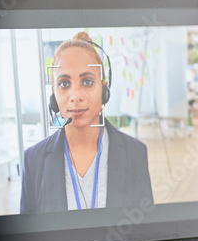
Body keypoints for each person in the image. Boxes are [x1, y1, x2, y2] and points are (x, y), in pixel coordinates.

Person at [20, 32, 153, 213]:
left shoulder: (135, 153)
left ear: (104, 91)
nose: (75, 96)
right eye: (64, 84)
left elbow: (144, 226)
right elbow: (30, 230)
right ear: (53, 96)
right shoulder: (33, 160)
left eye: (87, 82)